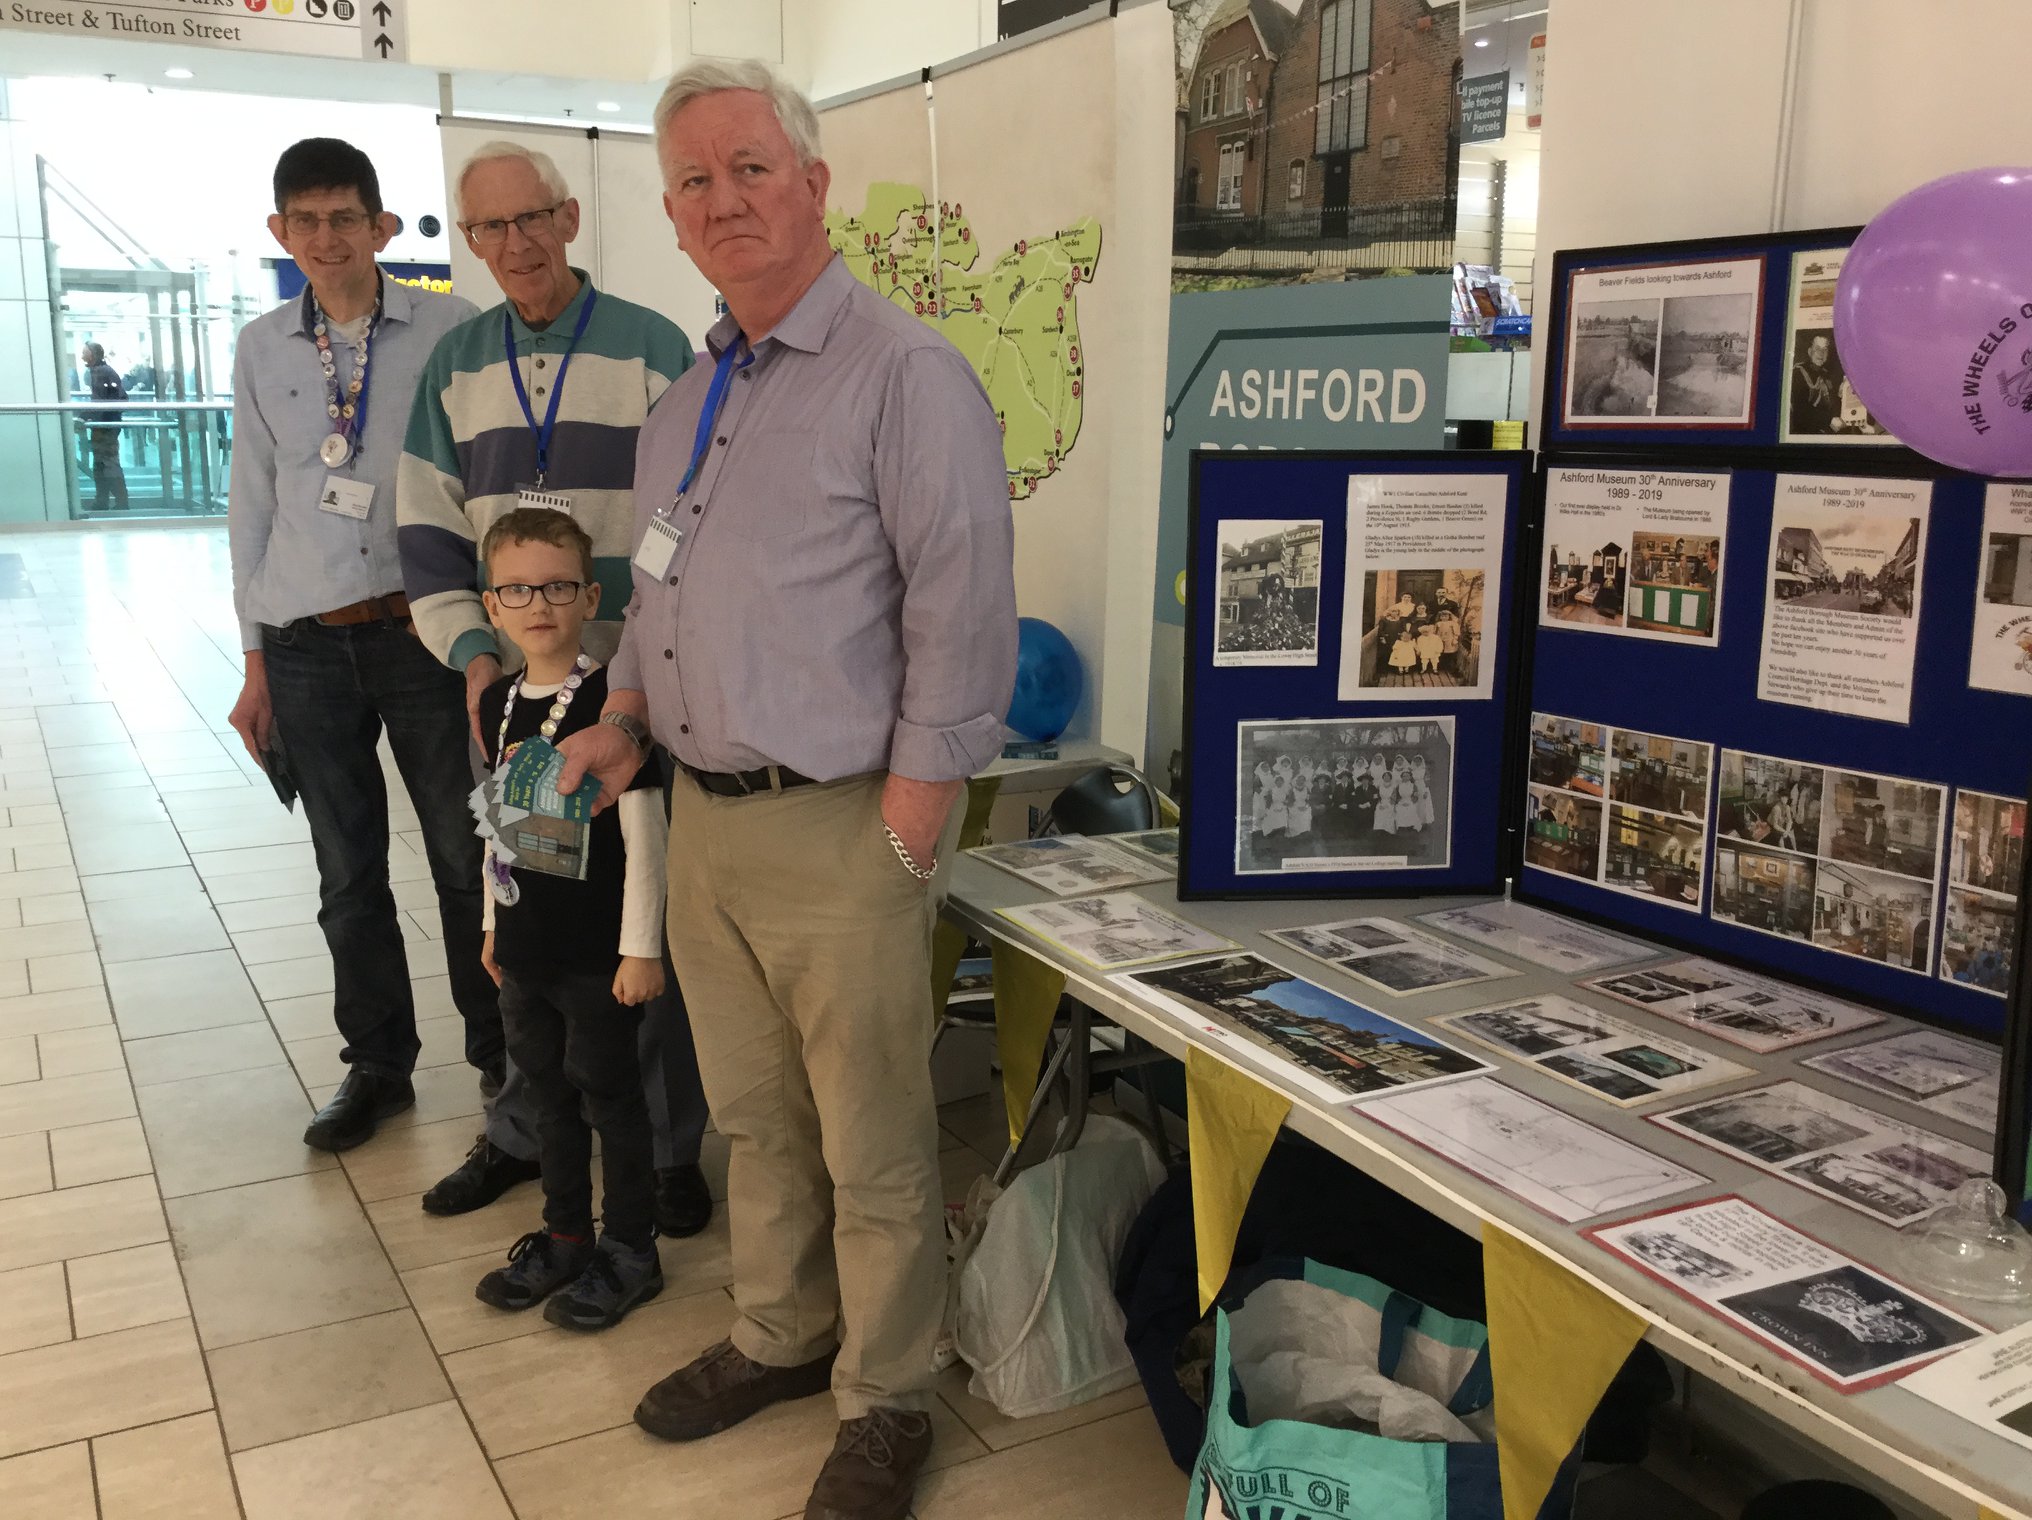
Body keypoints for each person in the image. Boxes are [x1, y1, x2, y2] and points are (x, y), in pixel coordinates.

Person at [554, 59, 1017, 1520]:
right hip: (702, 823)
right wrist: (623, 716)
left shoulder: (907, 374)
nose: (722, 199)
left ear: (813, 184)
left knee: (872, 1133)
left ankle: (885, 1397)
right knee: (753, 1116)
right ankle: (780, 1330)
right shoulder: (686, 399)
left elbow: (963, 603)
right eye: (692, 181)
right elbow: (658, 590)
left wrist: (914, 812)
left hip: (843, 824)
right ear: (673, 221)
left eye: (749, 167)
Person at [399, 139, 711, 1234]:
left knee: (639, 912)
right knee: (524, 905)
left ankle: (668, 1150)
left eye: (532, 219)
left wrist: (642, 672)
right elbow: (429, 530)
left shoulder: (653, 347)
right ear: (468, 242)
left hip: (632, 689)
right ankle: (533, 1131)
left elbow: (694, 517)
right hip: (516, 688)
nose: (514, 245)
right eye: (488, 229)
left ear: (570, 218)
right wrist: (471, 656)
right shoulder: (454, 366)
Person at [226, 139, 506, 1166]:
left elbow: (489, 478)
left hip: (423, 630)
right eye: (305, 220)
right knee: (346, 873)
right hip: (303, 640)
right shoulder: (261, 346)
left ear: (383, 228)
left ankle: (500, 1056)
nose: (326, 238)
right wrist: (255, 661)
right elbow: (251, 505)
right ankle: (377, 1063)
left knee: (462, 854)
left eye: (346, 217)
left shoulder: (450, 328)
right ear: (279, 233)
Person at [470, 509, 668, 1329]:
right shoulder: (495, 708)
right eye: (517, 589)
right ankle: (565, 1237)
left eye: (556, 585)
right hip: (526, 947)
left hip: (597, 953)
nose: (537, 604)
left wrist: (641, 948)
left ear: (590, 596)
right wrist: (491, 927)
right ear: (491, 606)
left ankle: (630, 1248)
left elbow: (644, 833)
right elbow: (495, 828)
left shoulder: (615, 705)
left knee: (609, 1097)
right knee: (547, 1095)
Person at [81, 343, 129, 512]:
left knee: (107, 463)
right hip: (103, 425)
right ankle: (103, 500)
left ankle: (120, 502)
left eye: (84, 352)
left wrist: (84, 416)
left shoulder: (102, 372)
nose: (81, 356)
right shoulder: (99, 371)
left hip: (106, 426)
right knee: (102, 464)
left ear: (92, 354)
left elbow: (101, 401)